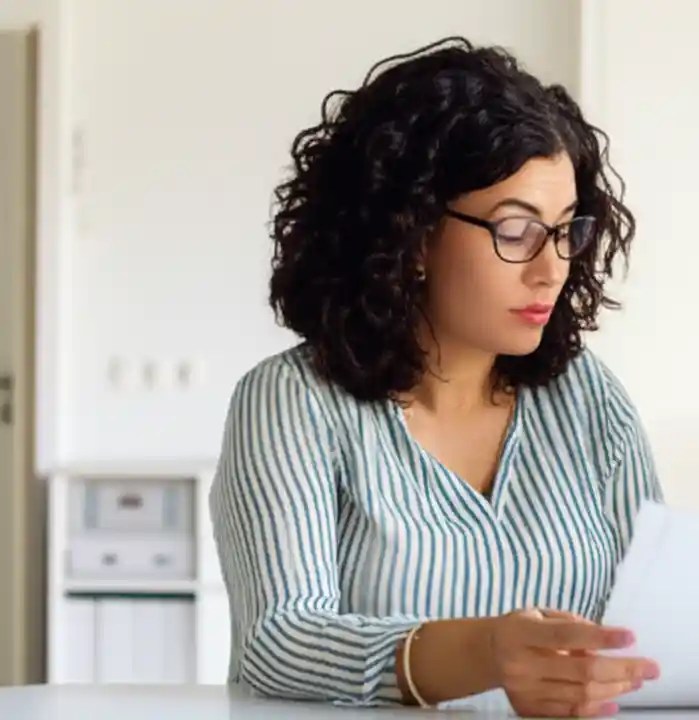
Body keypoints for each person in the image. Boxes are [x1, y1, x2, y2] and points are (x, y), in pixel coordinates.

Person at [209, 37, 662, 717]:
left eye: (568, 230)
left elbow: (657, 614)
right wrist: (485, 656)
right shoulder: (290, 402)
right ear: (412, 234)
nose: (552, 268)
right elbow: (279, 641)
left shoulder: (586, 396)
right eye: (516, 231)